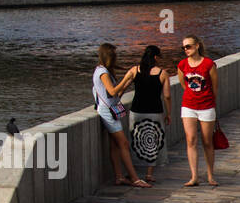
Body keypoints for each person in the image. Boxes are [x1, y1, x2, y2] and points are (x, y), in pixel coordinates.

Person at [93, 43, 150, 188]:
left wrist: (127, 83)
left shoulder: (104, 71)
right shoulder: (103, 72)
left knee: (115, 146)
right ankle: (135, 178)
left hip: (110, 110)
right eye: (114, 56)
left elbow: (115, 95)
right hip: (107, 113)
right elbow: (112, 92)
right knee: (124, 143)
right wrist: (126, 78)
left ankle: (119, 177)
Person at [114, 45, 172, 184]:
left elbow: (121, 88)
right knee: (153, 141)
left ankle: (132, 170)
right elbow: (167, 96)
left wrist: (115, 104)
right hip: (155, 112)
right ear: (156, 57)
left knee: (136, 139)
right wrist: (168, 113)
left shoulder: (135, 70)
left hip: (137, 111)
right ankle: (149, 173)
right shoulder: (162, 74)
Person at [177, 34, 219, 187]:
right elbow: (183, 84)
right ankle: (194, 176)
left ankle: (210, 175)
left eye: (188, 46)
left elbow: (215, 87)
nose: (185, 49)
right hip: (188, 105)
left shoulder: (209, 64)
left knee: (207, 141)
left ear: (197, 46)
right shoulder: (182, 65)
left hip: (206, 106)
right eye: (184, 47)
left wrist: (209, 101)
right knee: (191, 140)